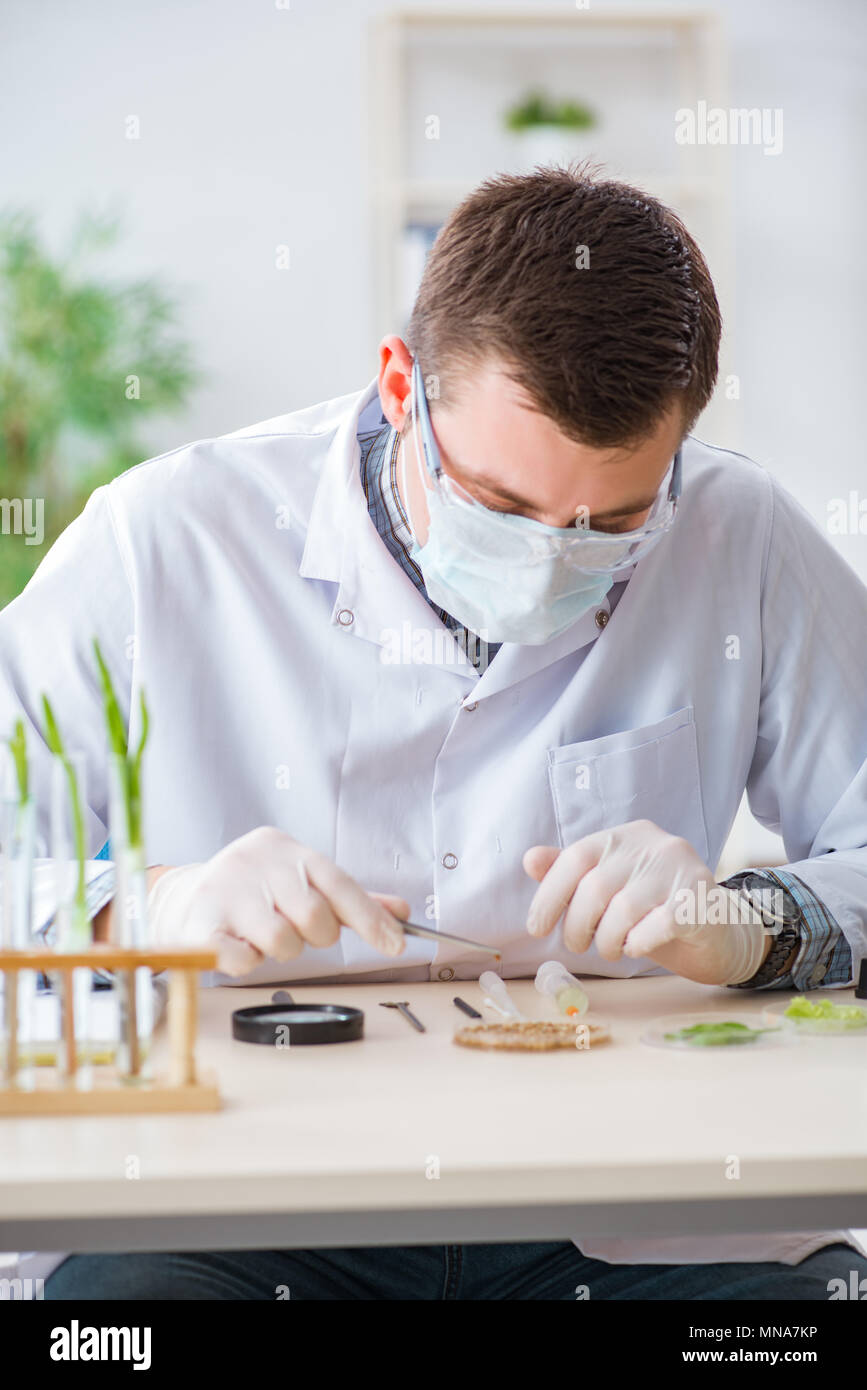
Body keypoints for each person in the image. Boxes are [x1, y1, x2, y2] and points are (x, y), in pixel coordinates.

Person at [2, 166, 865, 1300]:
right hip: (243, 1204)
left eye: (611, 526)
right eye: (502, 510)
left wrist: (748, 923)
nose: (557, 559)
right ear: (400, 382)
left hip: (631, 1205)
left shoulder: (734, 529)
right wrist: (147, 903)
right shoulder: (161, 542)